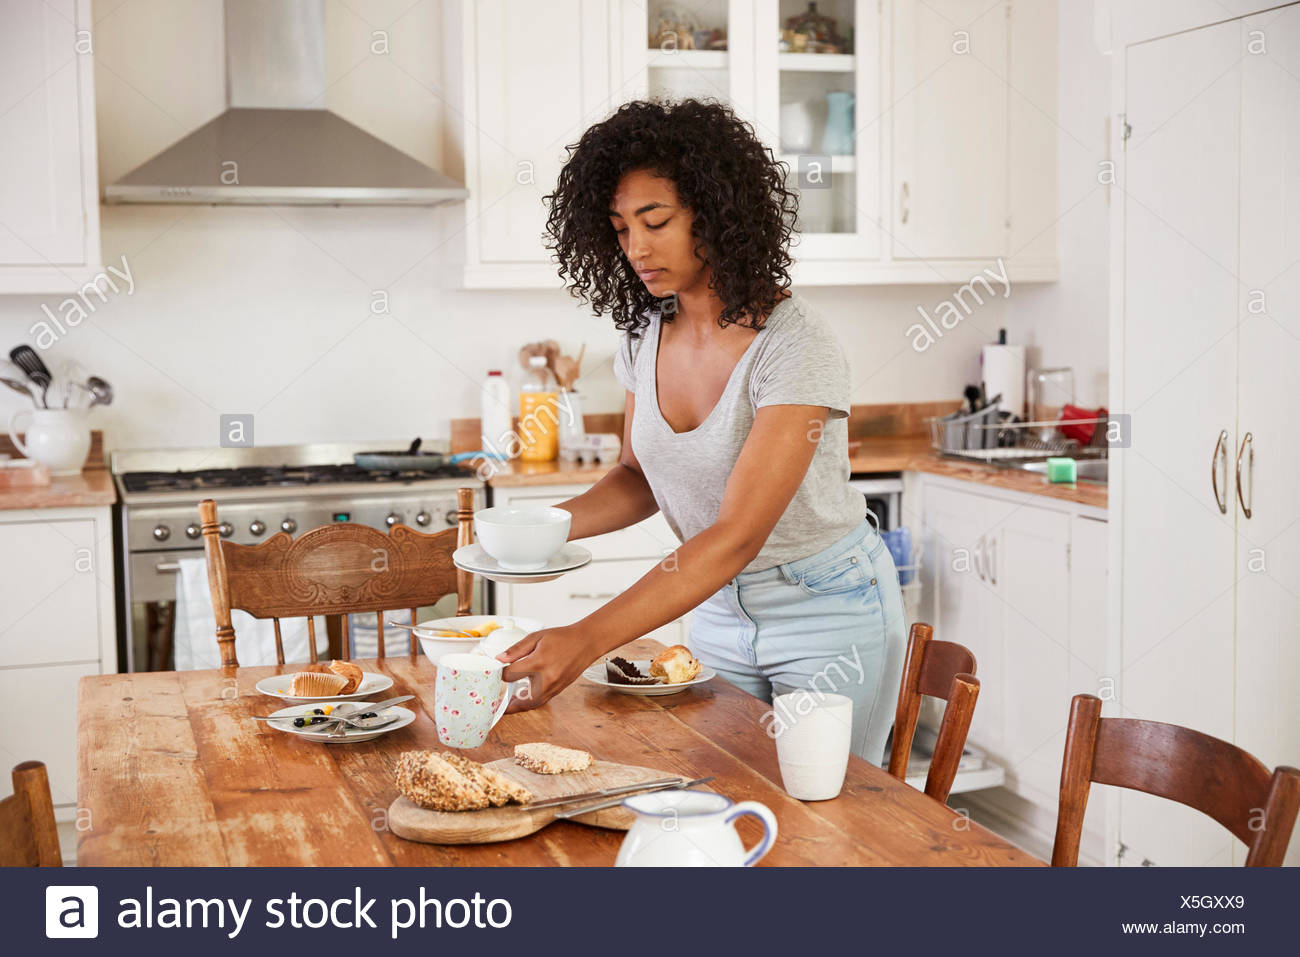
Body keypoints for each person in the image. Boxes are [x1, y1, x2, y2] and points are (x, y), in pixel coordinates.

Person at [497, 98, 906, 763]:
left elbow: (737, 534)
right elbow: (636, 477)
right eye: (620, 227)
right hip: (717, 608)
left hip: (829, 609)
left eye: (655, 221)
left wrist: (587, 635)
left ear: (716, 214)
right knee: (722, 796)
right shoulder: (644, 332)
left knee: (828, 827)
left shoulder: (796, 345)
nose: (636, 247)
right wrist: (537, 527)